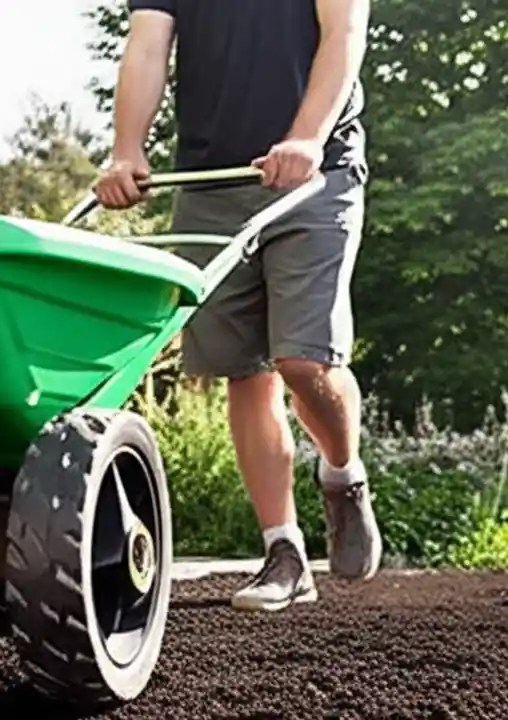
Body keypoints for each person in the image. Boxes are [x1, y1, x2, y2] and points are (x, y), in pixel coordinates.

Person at [94, 0, 380, 612]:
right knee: (244, 374)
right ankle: (285, 553)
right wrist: (127, 149)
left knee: (305, 361)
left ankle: (342, 472)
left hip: (313, 176)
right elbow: (147, 46)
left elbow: (345, 33)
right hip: (210, 181)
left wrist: (307, 136)